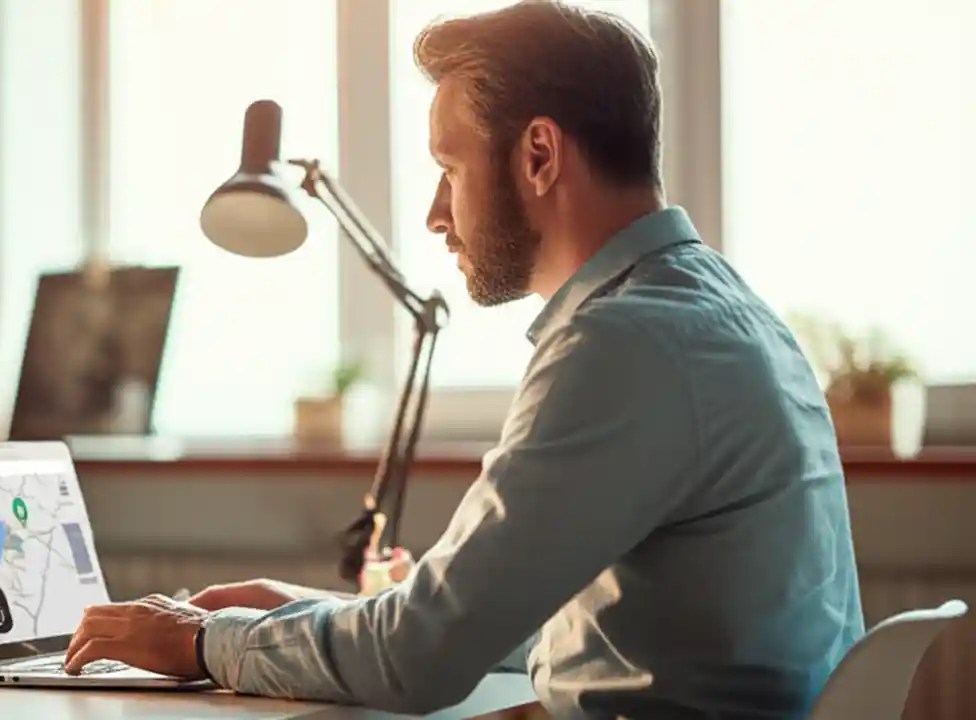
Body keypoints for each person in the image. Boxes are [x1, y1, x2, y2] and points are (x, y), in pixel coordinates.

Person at [64, 1, 865, 717]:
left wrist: (206, 644)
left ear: (540, 155)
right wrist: (296, 613)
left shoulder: (624, 342)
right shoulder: (719, 308)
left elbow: (418, 661)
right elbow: (520, 629)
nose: (436, 212)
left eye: (449, 168)